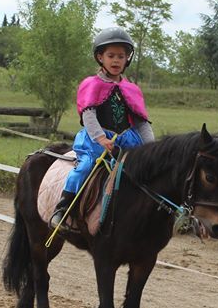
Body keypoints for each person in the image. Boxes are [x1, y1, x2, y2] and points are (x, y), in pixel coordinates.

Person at [50, 27, 154, 229]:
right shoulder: (92, 84)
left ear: (127, 59)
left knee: (145, 170)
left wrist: (152, 148)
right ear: (100, 57)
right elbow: (88, 114)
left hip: (126, 140)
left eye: (121, 56)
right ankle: (63, 208)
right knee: (85, 166)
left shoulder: (131, 89)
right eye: (111, 56)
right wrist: (100, 138)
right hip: (96, 139)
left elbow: (141, 122)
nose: (116, 60)